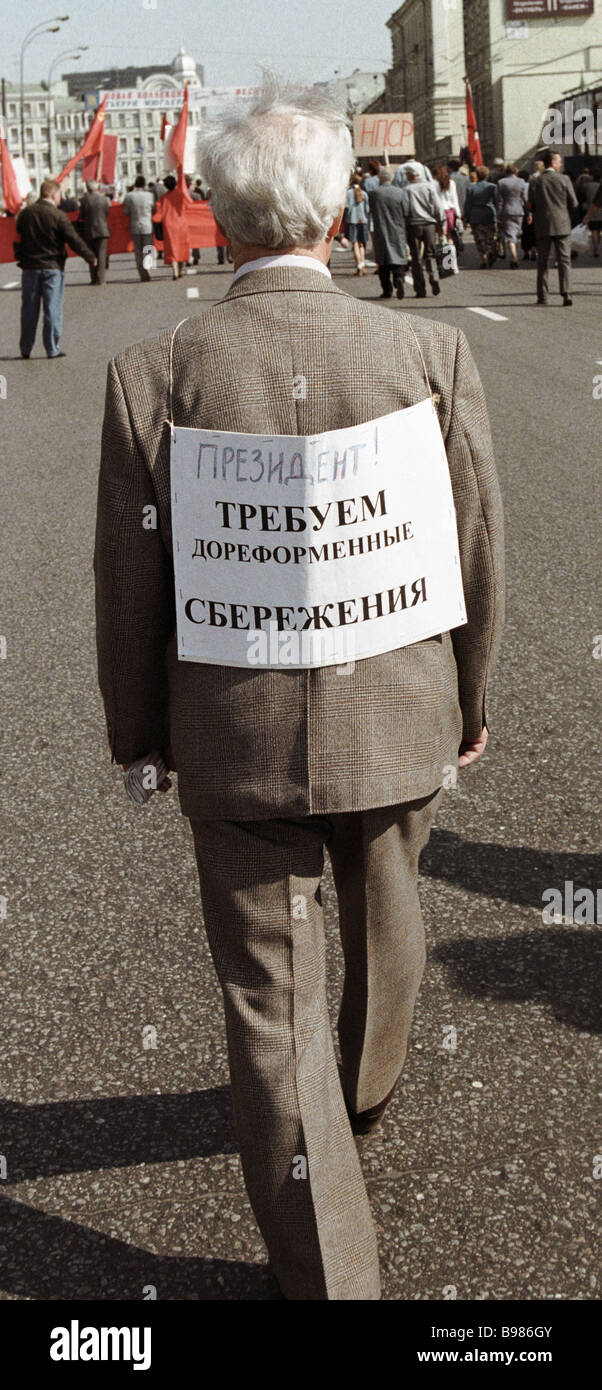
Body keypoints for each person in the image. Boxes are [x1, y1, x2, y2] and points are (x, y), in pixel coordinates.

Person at [94, 76, 504, 1303]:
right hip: (397, 710)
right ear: (336, 210)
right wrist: (469, 701)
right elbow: (474, 546)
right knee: (390, 921)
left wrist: (139, 729)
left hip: (231, 731)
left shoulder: (151, 375)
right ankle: (363, 1088)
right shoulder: (427, 351)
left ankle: (326, 1268)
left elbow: (128, 575)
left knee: (267, 997)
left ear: (214, 211)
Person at [15, 178, 96, 359]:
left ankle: (26, 348)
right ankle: (52, 348)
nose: (60, 197)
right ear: (53, 194)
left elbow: (17, 240)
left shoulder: (26, 214)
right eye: (59, 194)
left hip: (30, 268)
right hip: (52, 267)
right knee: (52, 309)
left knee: (29, 310)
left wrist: (20, 259)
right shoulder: (58, 215)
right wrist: (90, 257)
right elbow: (73, 239)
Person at [528, 149, 577, 306]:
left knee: (543, 262)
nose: (561, 164)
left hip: (543, 225)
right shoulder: (564, 179)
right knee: (564, 260)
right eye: (559, 161)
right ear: (553, 162)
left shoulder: (536, 181)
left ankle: (542, 296)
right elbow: (574, 202)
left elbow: (530, 204)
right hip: (562, 224)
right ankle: (566, 293)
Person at [399, 159, 445, 297]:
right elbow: (438, 206)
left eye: (407, 174)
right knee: (430, 254)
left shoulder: (406, 190)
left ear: (411, 175)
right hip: (429, 224)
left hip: (413, 225)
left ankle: (420, 288)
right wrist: (441, 223)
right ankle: (433, 277)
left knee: (416, 257)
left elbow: (405, 210)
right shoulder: (429, 187)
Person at [367, 164, 408, 298]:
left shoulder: (374, 194)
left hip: (381, 230)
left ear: (380, 177)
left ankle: (387, 290)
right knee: (398, 258)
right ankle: (399, 278)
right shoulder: (400, 192)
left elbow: (371, 210)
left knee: (383, 262)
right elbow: (406, 211)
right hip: (397, 228)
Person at [154, 173, 190, 279]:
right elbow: (187, 206)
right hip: (181, 223)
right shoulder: (181, 195)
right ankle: (180, 268)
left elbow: (159, 213)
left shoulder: (163, 198)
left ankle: (174, 271)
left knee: (172, 247)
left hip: (168, 225)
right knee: (182, 246)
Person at [464, 166, 498, 268]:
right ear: (487, 175)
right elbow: (497, 201)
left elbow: (468, 204)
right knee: (490, 236)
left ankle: (483, 259)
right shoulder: (492, 187)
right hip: (489, 213)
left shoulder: (471, 188)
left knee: (479, 239)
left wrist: (466, 217)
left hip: (476, 215)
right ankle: (491, 250)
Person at [79, 179, 111, 285]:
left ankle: (93, 278)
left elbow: (82, 215)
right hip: (102, 229)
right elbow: (107, 213)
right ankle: (102, 279)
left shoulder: (84, 200)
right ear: (97, 188)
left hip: (89, 230)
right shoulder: (104, 199)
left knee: (91, 255)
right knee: (102, 255)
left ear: (87, 188)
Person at [123, 174, 155, 282]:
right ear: (144, 184)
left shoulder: (129, 196)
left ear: (135, 184)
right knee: (148, 248)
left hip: (135, 225)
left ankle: (142, 272)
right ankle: (148, 267)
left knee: (137, 250)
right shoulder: (149, 195)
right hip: (147, 225)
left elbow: (126, 212)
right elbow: (153, 209)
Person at [496, 163, 528, 268]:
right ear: (516, 171)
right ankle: (514, 255)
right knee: (515, 233)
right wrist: (529, 212)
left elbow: (500, 201)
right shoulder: (521, 181)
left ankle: (513, 255)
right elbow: (525, 198)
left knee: (510, 234)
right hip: (519, 211)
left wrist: (498, 215)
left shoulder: (501, 182)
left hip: (507, 211)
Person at [434, 163, 462, 253]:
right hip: (450, 212)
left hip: (439, 212)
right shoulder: (451, 183)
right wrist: (458, 213)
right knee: (450, 236)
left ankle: (444, 258)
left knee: (441, 234)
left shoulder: (434, 184)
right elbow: (454, 199)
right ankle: (451, 260)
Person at [345, 179, 370, 274]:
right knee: (361, 244)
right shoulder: (364, 193)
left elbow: (346, 207)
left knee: (354, 244)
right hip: (363, 220)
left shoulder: (348, 193)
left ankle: (359, 265)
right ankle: (362, 264)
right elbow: (367, 209)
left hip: (351, 220)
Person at [581, 168, 601, 256]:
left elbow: (583, 197)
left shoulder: (587, 186)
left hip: (592, 210)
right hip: (600, 212)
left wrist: (587, 216)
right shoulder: (599, 185)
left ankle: (595, 248)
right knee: (599, 230)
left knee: (594, 230)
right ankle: (597, 247)